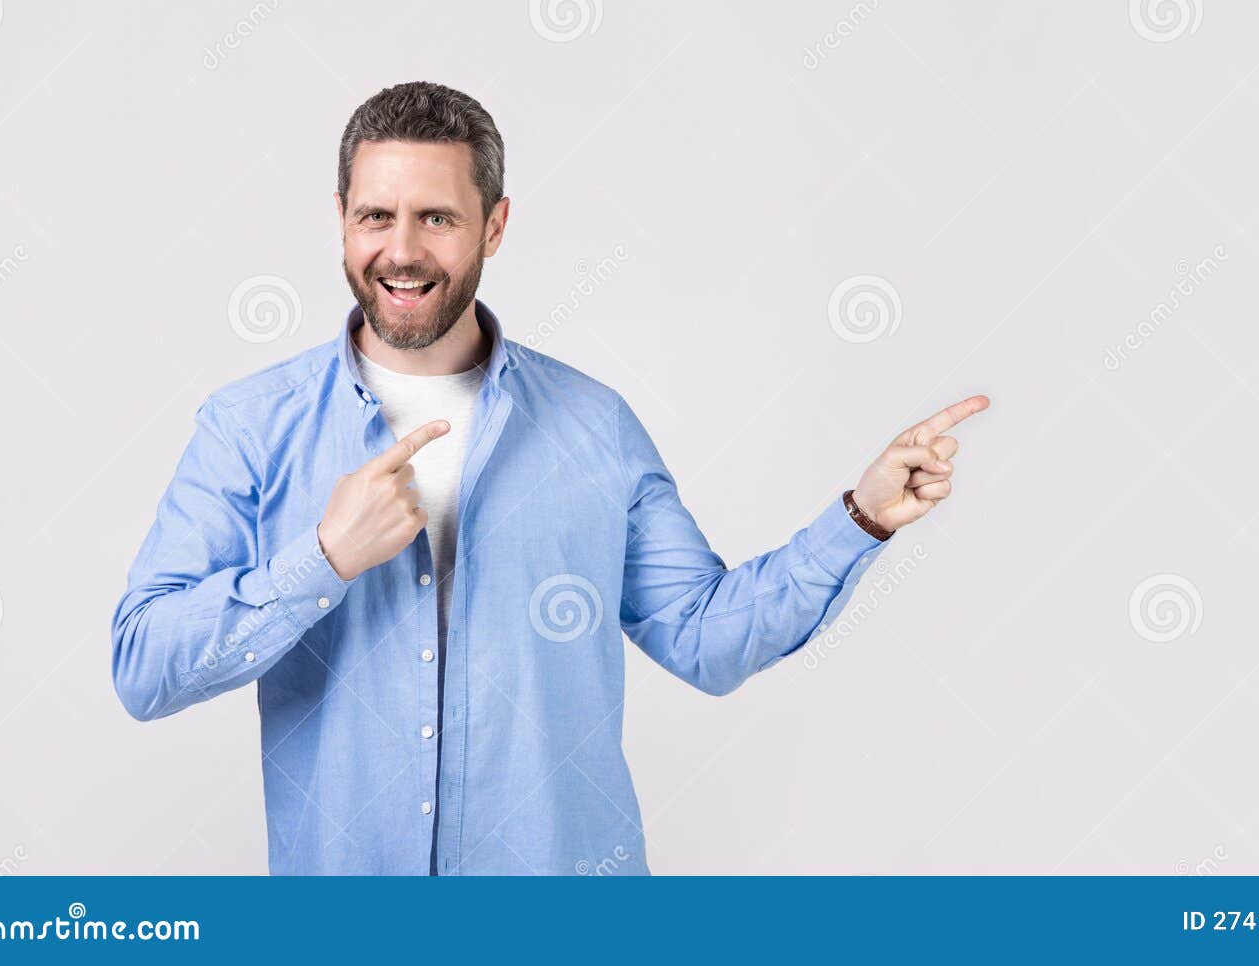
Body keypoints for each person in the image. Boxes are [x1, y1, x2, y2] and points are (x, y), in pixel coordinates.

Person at [111, 81, 988, 875]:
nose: (403, 250)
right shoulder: (249, 427)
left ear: (494, 225)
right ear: (341, 217)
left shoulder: (592, 425)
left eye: (438, 218)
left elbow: (704, 639)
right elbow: (145, 667)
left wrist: (861, 518)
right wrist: (322, 560)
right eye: (376, 216)